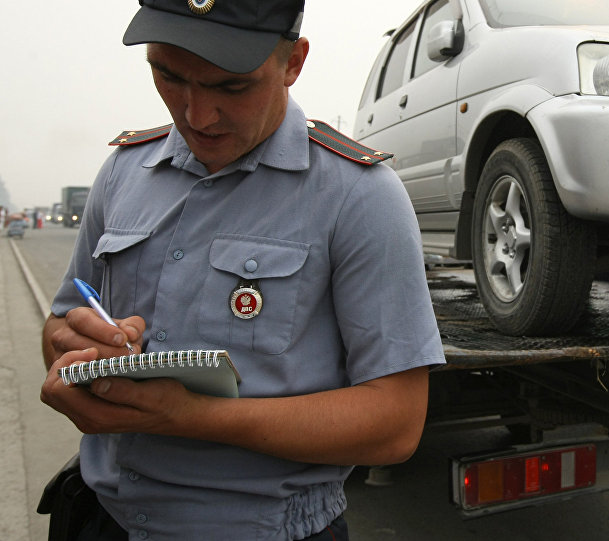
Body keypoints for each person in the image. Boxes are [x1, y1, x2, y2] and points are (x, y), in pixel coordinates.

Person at [39, 1, 446, 539]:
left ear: (293, 62)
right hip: (100, 518)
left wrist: (187, 415)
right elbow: (60, 328)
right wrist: (77, 355)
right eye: (168, 75)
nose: (196, 114)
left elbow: (395, 425)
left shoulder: (359, 196)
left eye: (231, 87)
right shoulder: (122, 173)